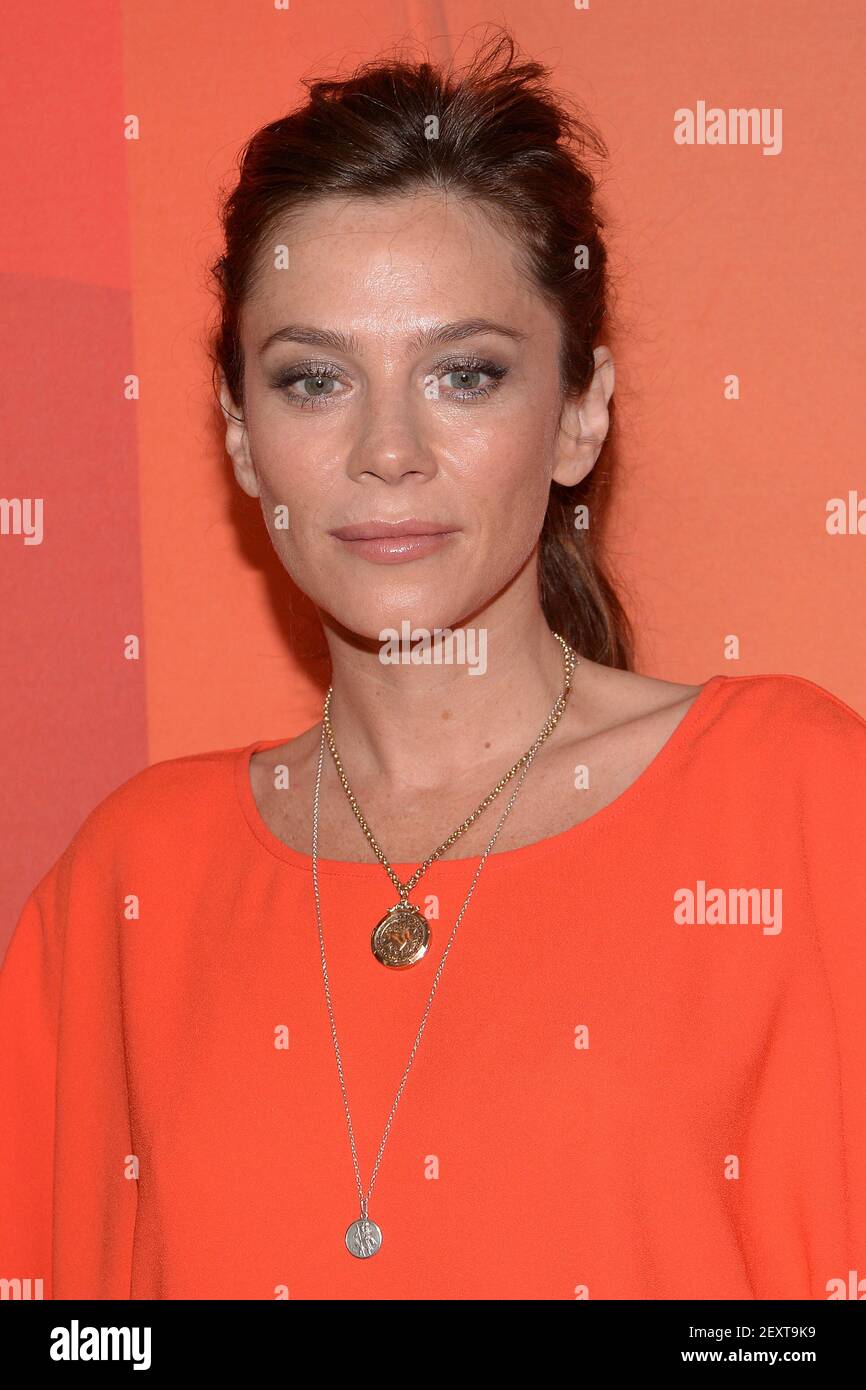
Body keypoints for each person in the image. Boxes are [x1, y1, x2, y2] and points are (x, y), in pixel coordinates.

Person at [1, 32, 864, 1302]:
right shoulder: (127, 888)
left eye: (464, 373)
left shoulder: (792, 806)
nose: (388, 449)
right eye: (313, 380)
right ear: (239, 435)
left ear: (579, 412)